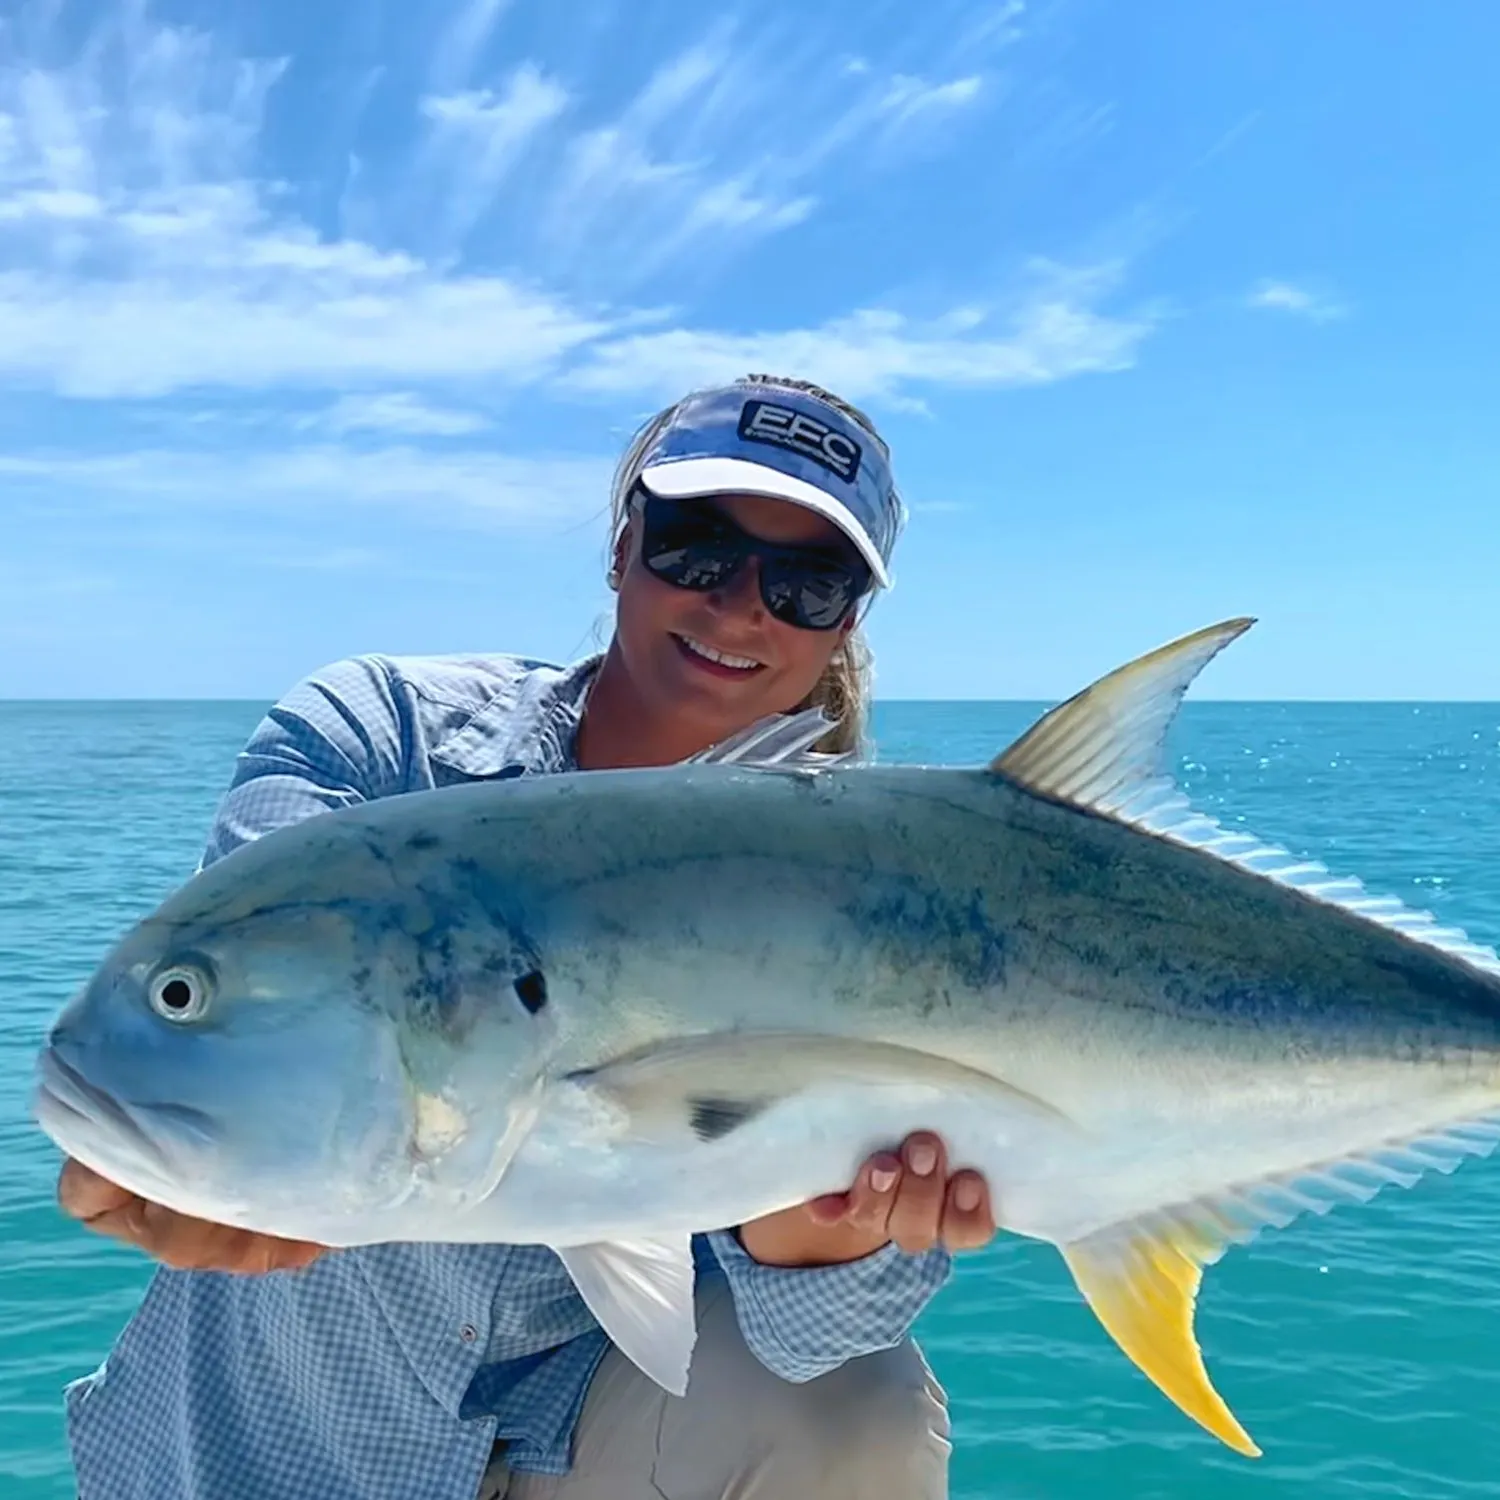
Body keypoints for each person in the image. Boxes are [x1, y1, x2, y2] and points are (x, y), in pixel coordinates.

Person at [55, 374, 1000, 1500]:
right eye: (697, 546)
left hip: (581, 1442)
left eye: (807, 582)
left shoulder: (883, 906)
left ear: (848, 621)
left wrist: (825, 1226)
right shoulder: (376, 744)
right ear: (624, 545)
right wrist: (188, 1140)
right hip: (267, 1448)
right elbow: (265, 1005)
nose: (743, 606)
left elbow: (811, 1341)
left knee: (858, 1413)